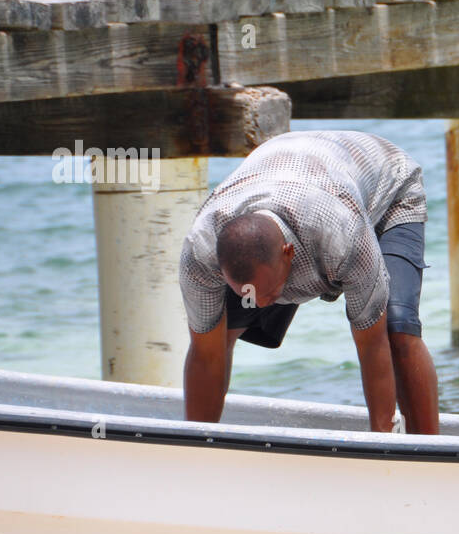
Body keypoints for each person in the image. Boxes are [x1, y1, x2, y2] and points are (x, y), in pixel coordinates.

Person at [178, 129, 439, 434]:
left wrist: (381, 445)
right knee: (219, 336)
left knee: (397, 329)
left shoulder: (342, 235)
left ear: (288, 253)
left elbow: (371, 345)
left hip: (387, 188)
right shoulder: (200, 252)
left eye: (267, 293)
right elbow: (205, 355)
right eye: (247, 295)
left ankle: (428, 452)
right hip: (293, 176)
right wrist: (195, 448)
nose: (260, 304)